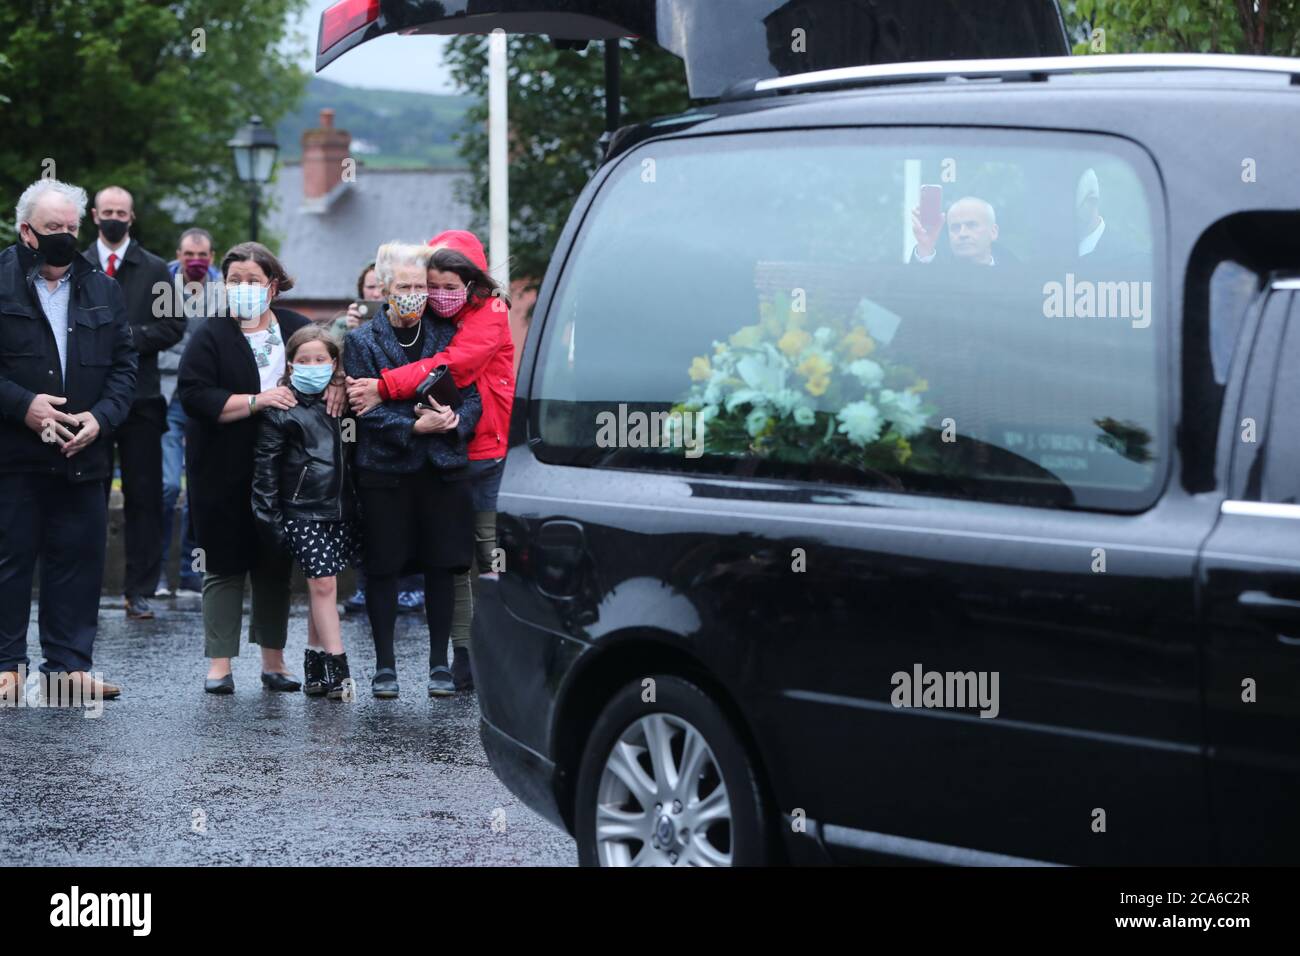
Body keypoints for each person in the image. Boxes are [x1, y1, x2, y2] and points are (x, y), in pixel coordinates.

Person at [347, 230, 513, 691]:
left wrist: (454, 420)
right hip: (386, 469)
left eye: (422, 286)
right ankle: (386, 667)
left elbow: (468, 387)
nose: (418, 296)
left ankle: (449, 663)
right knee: (383, 567)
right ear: (383, 288)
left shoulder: (455, 328)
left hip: (449, 464)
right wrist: (411, 427)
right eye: (406, 287)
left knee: (452, 563)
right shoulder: (362, 340)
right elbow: (362, 408)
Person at [178, 242, 345, 694]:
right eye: (234, 281)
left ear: (272, 285)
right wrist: (256, 401)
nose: (243, 289)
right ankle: (219, 664)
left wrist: (338, 386)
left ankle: (274, 661)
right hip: (221, 465)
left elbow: (330, 363)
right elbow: (193, 396)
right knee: (223, 564)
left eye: (252, 280)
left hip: (286, 472)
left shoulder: (295, 327)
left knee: (274, 564)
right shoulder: (211, 334)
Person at [0, 178, 135, 702]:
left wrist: (102, 418)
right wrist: (23, 405)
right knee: (10, 559)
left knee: (78, 557)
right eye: (53, 228)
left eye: (72, 228)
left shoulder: (101, 287)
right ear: (26, 231)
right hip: (14, 453)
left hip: (84, 452)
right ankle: (7, 664)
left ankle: (68, 667)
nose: (65, 236)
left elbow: (126, 366)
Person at [82, 186, 181, 620]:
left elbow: (173, 325)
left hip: (141, 400)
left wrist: (127, 339)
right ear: (94, 215)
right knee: (88, 496)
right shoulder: (77, 264)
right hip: (88, 401)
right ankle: (82, 589)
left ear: (132, 217)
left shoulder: (157, 268)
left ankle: (138, 590)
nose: (115, 218)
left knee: (145, 497)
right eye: (108, 211)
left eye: (122, 212)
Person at [251, 326, 358, 698]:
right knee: (324, 584)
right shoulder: (282, 410)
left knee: (323, 587)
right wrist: (271, 523)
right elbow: (265, 472)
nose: (313, 366)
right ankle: (339, 667)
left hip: (340, 509)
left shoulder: (343, 405)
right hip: (302, 511)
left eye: (321, 360)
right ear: (291, 364)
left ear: (334, 364)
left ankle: (314, 666)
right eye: (304, 360)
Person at [157, 227, 222, 598]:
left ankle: (189, 573)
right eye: (188, 255)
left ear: (212, 256)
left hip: (204, 400)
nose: (196, 261)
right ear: (178, 255)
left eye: (203, 255)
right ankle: (157, 575)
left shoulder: (225, 291)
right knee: (166, 487)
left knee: (199, 489)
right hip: (167, 398)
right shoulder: (159, 284)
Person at [910, 195, 1015, 266]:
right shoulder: (939, 271)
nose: (962, 234)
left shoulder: (1015, 272)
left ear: (993, 232)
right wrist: (925, 247)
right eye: (955, 228)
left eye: (972, 225)